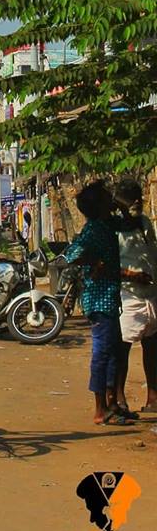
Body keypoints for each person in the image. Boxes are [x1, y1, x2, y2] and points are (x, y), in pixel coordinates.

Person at [65, 181, 128, 426]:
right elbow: (72, 254)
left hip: (110, 298)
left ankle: (112, 404)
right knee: (102, 353)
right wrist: (95, 261)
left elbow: (131, 224)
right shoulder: (93, 229)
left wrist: (120, 207)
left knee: (113, 352)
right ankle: (100, 408)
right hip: (98, 299)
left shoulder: (107, 224)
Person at [112, 178, 157, 415]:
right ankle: (119, 398)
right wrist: (132, 275)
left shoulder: (145, 223)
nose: (138, 202)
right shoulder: (115, 229)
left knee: (152, 347)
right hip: (127, 298)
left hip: (150, 295)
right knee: (122, 350)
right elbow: (107, 265)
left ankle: (153, 398)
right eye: (133, 198)